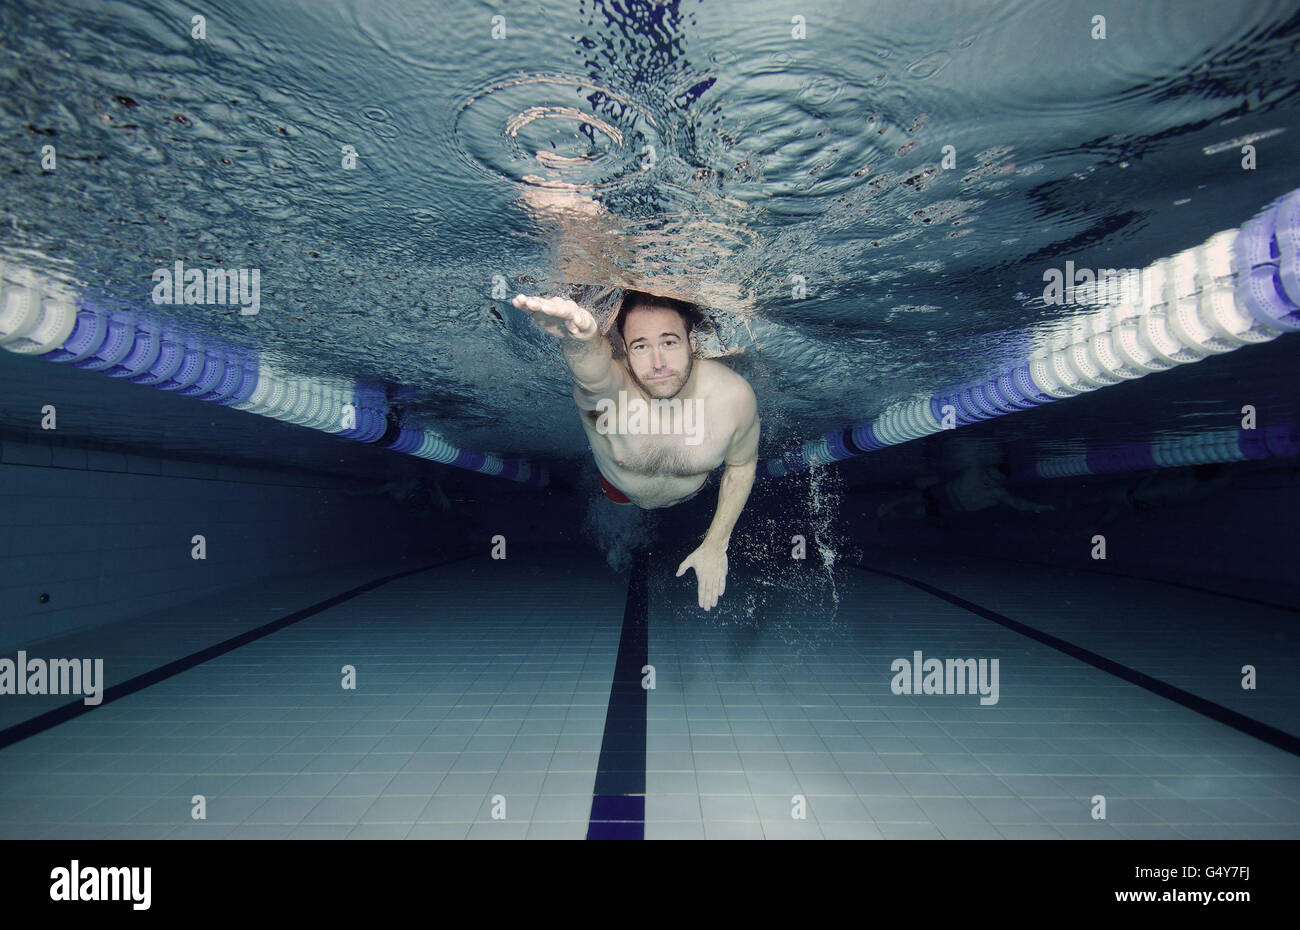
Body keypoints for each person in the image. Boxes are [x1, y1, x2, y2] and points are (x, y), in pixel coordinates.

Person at [512, 288, 760, 611]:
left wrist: (716, 543)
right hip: (618, 486)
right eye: (640, 347)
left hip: (691, 489)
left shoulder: (734, 397)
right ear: (624, 350)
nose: (658, 364)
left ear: (691, 337)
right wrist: (579, 339)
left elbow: (741, 466)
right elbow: (592, 372)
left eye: (669, 342)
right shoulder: (611, 391)